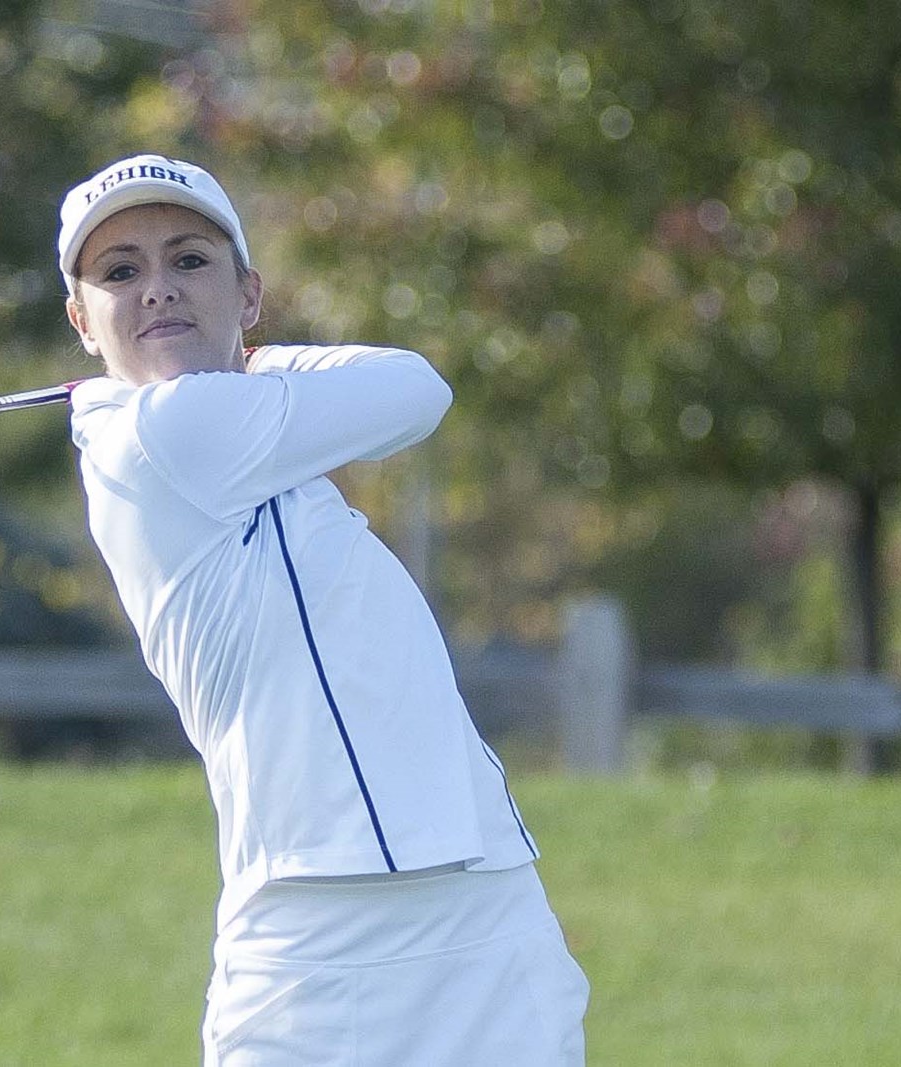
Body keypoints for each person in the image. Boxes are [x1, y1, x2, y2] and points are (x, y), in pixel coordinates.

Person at [57, 154, 590, 1065]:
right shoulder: (154, 436)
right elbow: (414, 387)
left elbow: (410, 388)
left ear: (249, 292)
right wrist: (256, 357)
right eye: (120, 271)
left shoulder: (244, 426)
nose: (158, 289)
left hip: (483, 903)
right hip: (314, 941)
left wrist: (248, 363)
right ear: (81, 320)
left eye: (190, 260)